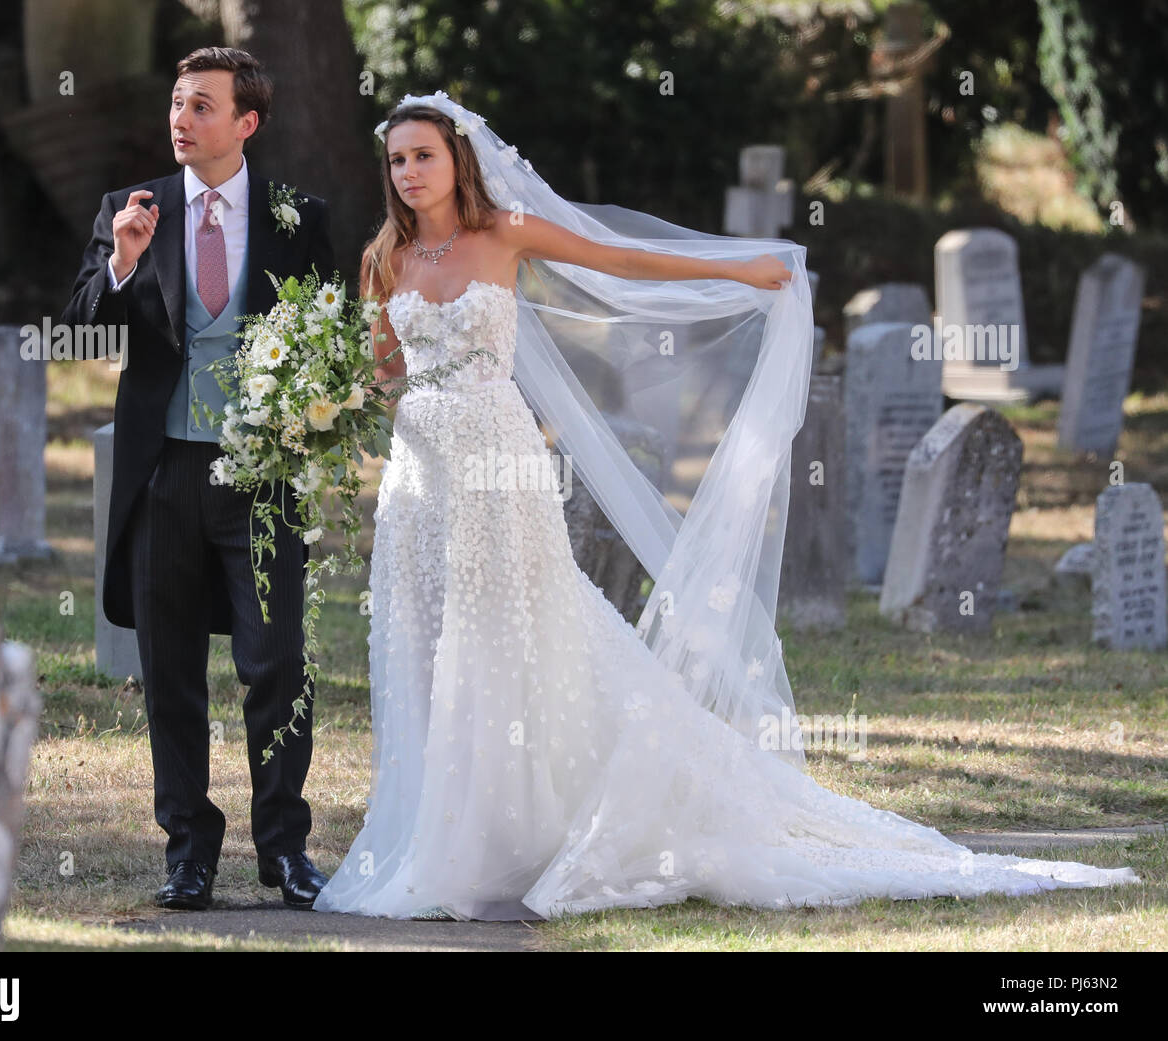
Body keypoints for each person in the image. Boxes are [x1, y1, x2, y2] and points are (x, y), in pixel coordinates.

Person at [313, 92, 1141, 920]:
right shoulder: (385, 256)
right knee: (424, 637)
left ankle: (523, 834)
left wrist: (739, 268)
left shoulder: (508, 234)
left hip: (500, 459)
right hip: (421, 476)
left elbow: (621, 261)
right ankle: (446, 834)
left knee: (513, 633)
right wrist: (321, 399)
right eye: (396, 160)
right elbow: (382, 368)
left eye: (424, 155)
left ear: (459, 159)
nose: (410, 172)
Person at [61, 47, 333, 912]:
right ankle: (189, 851)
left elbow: (329, 343)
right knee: (168, 669)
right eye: (178, 103)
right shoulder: (129, 210)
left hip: (262, 479)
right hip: (162, 475)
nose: (182, 118)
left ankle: (285, 848)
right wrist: (123, 266)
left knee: (277, 661)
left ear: (246, 122)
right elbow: (78, 330)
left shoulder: (298, 217)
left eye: (203, 106)